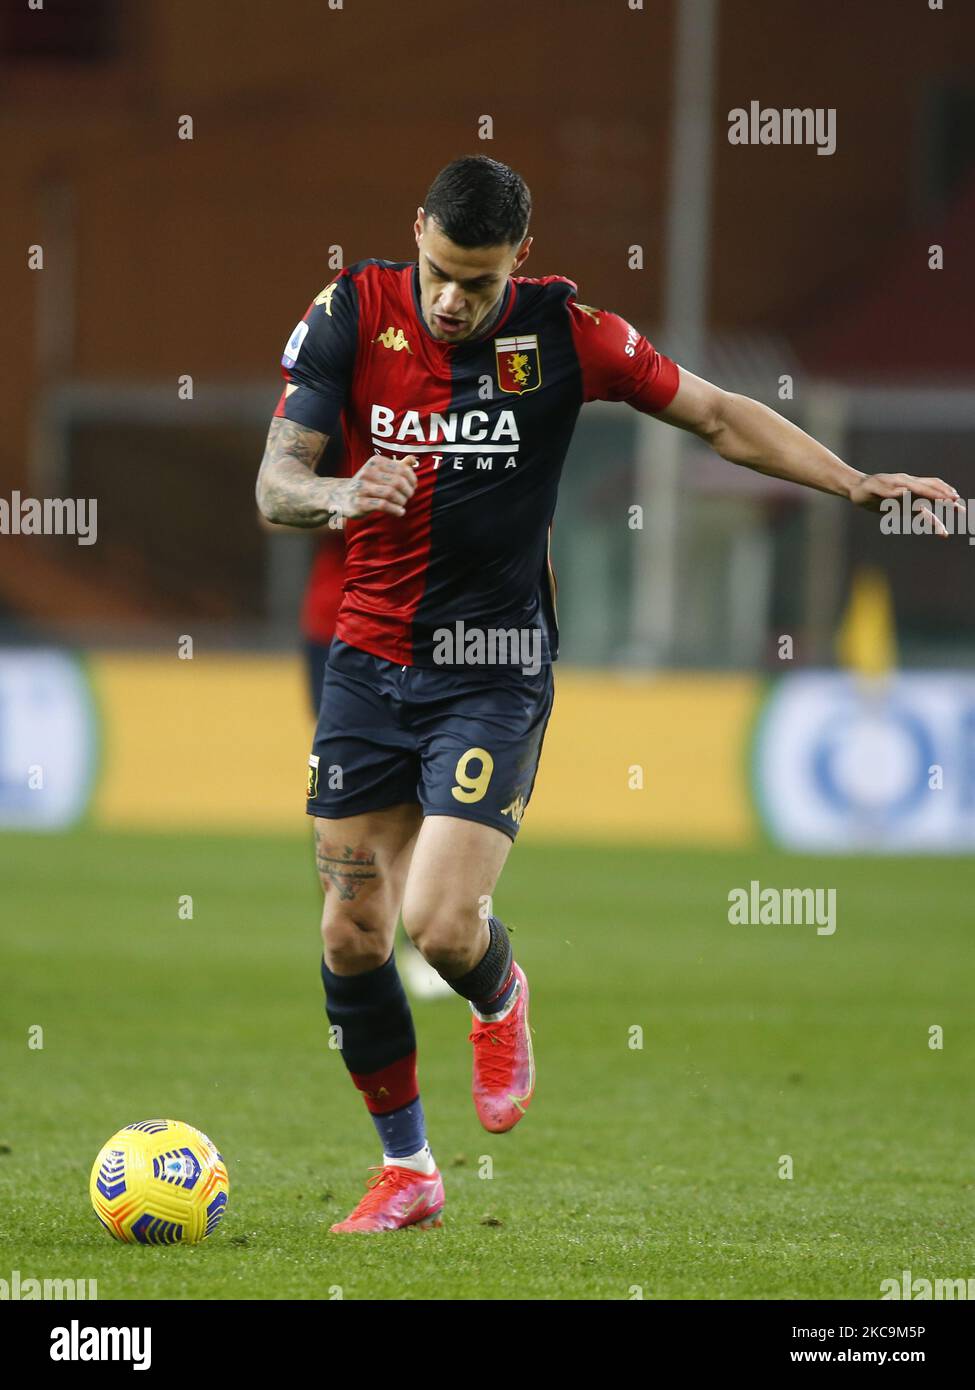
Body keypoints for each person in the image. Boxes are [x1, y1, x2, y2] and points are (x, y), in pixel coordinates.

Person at [255, 155, 961, 1234]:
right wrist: (344, 490)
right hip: (366, 662)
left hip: (492, 667)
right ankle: (409, 1172)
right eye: (441, 272)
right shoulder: (352, 311)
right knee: (352, 931)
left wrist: (857, 485)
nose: (453, 301)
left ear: (520, 262)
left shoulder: (567, 336)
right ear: (417, 235)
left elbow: (720, 415)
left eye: (478, 283)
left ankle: (500, 993)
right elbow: (276, 483)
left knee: (441, 923)